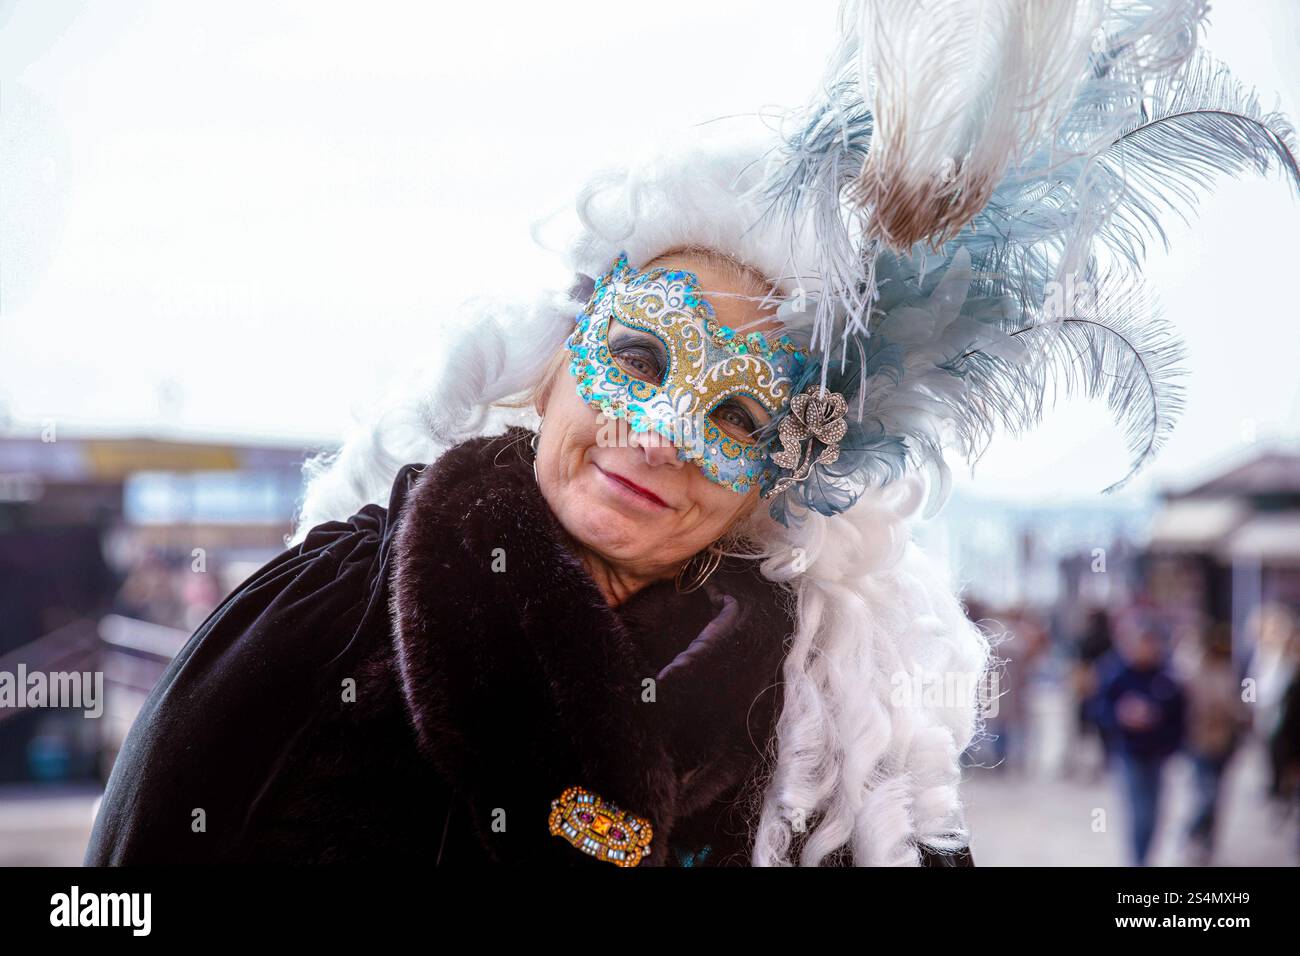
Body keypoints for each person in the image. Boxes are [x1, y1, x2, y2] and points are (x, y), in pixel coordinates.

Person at [84, 0, 1297, 866]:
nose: (662, 433)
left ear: (782, 469)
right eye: (638, 357)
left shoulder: (817, 719)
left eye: (734, 412)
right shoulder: (329, 609)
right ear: (559, 358)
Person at [1094, 610, 1187, 866]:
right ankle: (1137, 861)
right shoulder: (1115, 672)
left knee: (1155, 813)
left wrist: (1162, 728)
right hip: (1128, 752)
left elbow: (1180, 716)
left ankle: (1145, 857)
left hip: (1157, 752)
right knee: (1138, 812)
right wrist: (1121, 714)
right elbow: (1097, 709)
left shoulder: (1167, 675)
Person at [1181, 625, 1250, 864]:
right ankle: (1191, 835)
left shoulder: (1233, 672)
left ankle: (1207, 842)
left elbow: (1241, 704)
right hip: (1200, 742)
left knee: (1218, 794)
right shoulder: (1194, 671)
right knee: (1205, 793)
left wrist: (1240, 715)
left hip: (1225, 742)